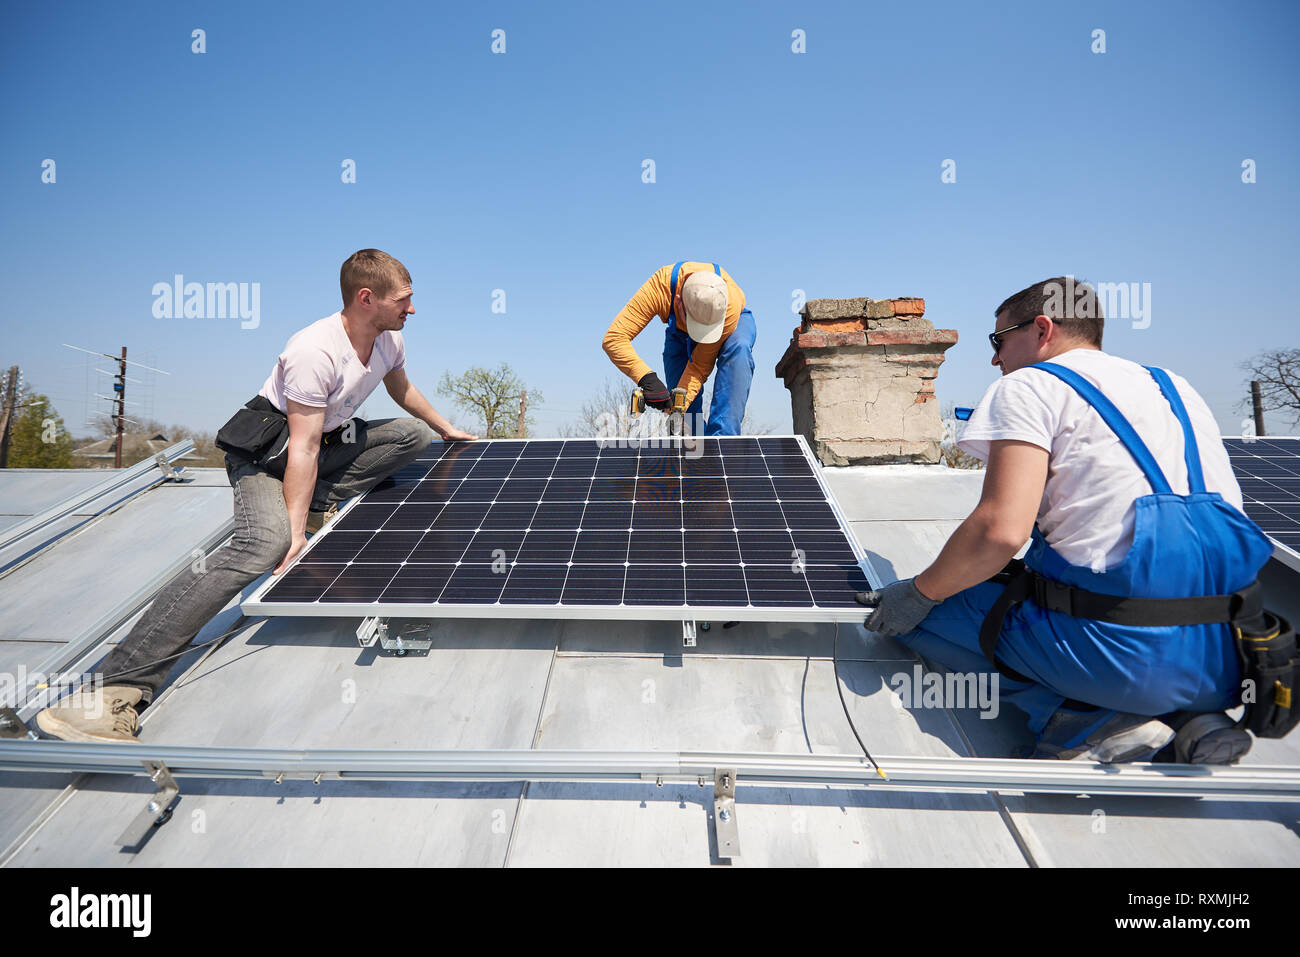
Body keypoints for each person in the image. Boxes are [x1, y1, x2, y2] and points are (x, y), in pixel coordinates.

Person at [37, 249, 476, 742]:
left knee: (413, 436)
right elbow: (302, 448)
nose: (411, 310)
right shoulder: (315, 352)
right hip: (267, 459)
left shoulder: (387, 339)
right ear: (366, 297)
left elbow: (402, 391)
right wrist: (292, 534)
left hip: (327, 446)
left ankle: (315, 504)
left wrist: (446, 428)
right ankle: (109, 689)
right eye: (404, 300)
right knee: (261, 545)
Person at [860, 276, 1273, 764]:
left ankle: (1086, 720)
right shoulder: (1172, 385)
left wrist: (917, 593)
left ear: (1042, 328)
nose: (995, 358)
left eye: (998, 340)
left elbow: (999, 532)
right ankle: (1187, 718)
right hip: (1232, 657)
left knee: (915, 616)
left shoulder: (1030, 385)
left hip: (1125, 660)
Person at [602, 261, 756, 435]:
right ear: (679, 302)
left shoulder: (729, 305)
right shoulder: (659, 288)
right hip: (680, 336)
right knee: (687, 422)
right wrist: (647, 379)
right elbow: (614, 338)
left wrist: (678, 404)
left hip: (730, 325)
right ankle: (696, 455)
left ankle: (723, 445)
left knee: (739, 349)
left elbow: (699, 367)